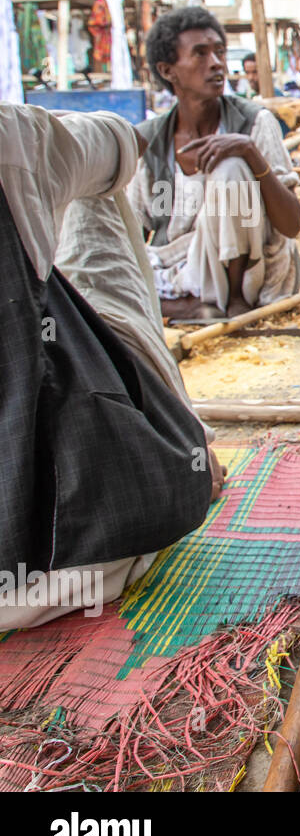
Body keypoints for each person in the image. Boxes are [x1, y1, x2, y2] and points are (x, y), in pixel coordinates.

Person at [0, 103, 220, 630]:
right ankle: (177, 440)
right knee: (92, 208)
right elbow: (121, 142)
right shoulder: (14, 140)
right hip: (59, 565)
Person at [126, 6, 300, 320]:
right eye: (200, 54)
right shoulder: (152, 143)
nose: (217, 63)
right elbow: (132, 231)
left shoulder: (253, 123)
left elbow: (291, 225)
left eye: (219, 52)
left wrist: (250, 153)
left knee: (231, 167)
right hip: (181, 270)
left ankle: (230, 301)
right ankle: (191, 304)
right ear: (168, 70)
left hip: (253, 273)